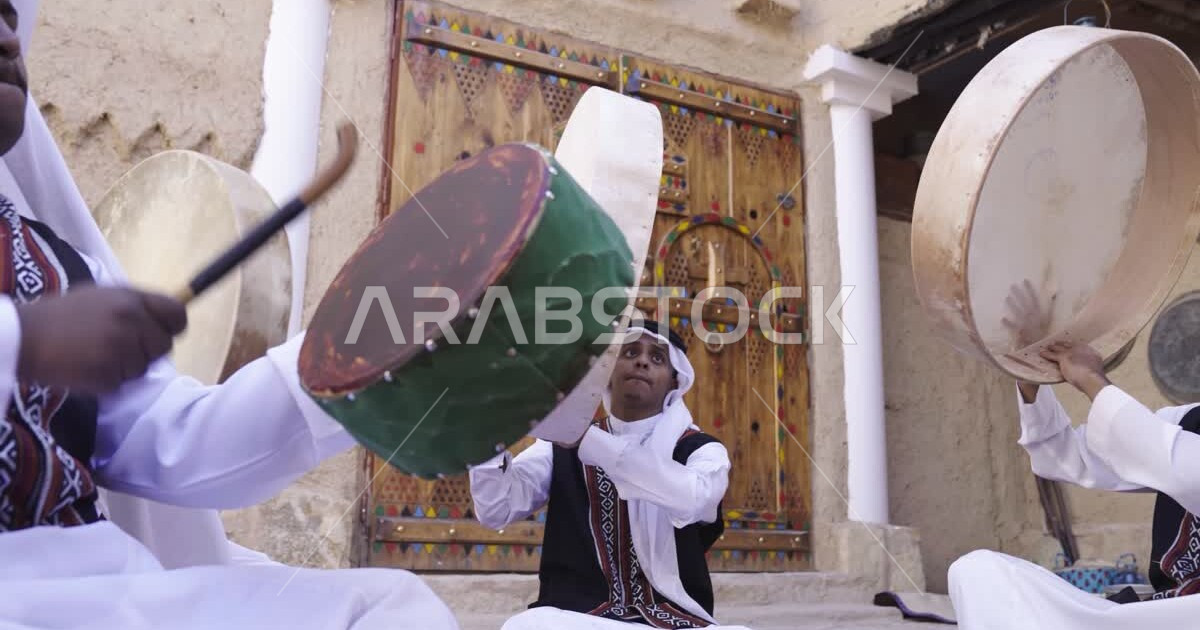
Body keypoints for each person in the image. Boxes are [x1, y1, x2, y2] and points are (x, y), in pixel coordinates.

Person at [0, 1, 458, 627]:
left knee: (385, 609)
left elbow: (175, 444)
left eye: (7, 14)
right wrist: (25, 341)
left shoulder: (56, 262)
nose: (7, 39)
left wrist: (356, 352)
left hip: (102, 587)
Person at [947, 281, 1200, 628]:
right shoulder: (1187, 422)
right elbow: (1064, 455)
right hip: (1161, 611)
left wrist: (1092, 381)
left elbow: (1183, 470)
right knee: (978, 572)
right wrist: (1029, 374)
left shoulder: (1169, 443)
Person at [469, 320, 750, 629]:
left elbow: (693, 499)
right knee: (526, 626)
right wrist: (489, 431)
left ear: (674, 382)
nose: (642, 361)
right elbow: (497, 509)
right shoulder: (560, 448)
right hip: (581, 620)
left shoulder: (702, 451)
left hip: (672, 622)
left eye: (657, 358)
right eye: (630, 352)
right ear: (607, 368)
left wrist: (585, 440)